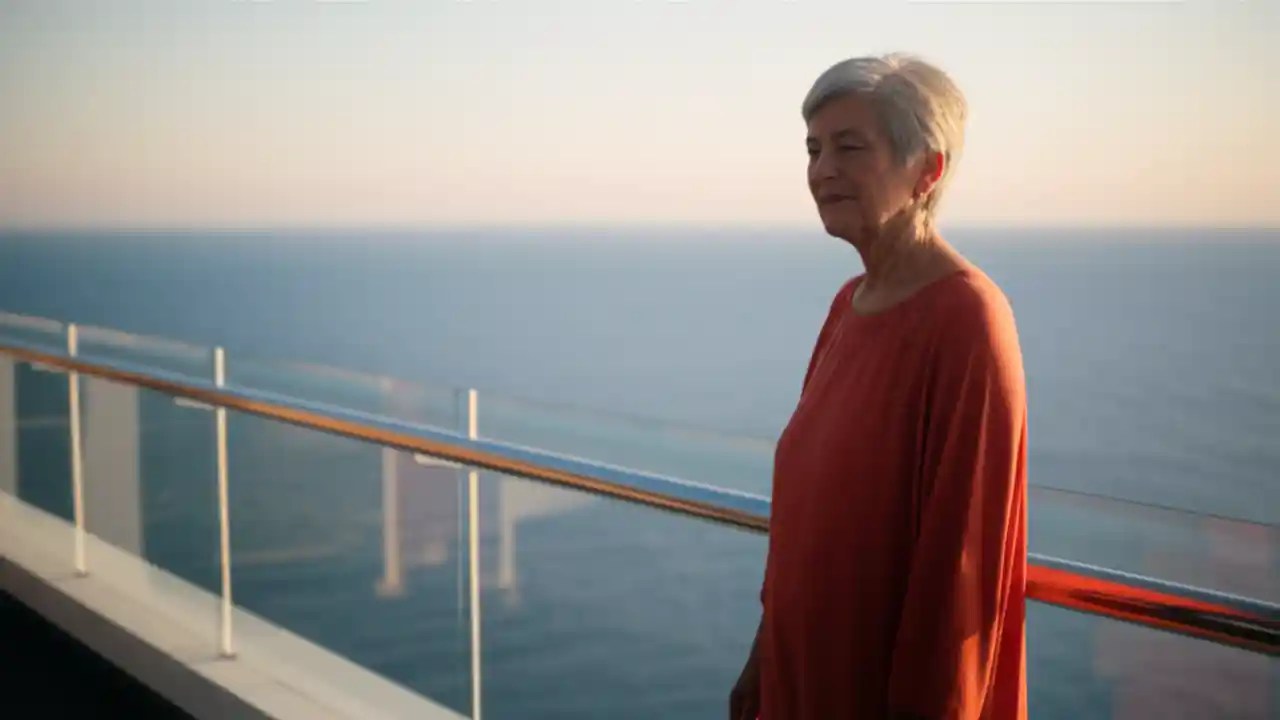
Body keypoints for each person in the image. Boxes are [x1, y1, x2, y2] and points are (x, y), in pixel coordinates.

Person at [730, 53, 1029, 720]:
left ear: (928, 170)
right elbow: (809, 524)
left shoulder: (967, 321)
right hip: (801, 681)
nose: (821, 169)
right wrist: (761, 662)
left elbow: (961, 574)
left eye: (849, 147)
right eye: (813, 149)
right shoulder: (849, 306)